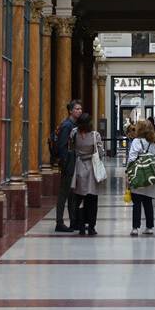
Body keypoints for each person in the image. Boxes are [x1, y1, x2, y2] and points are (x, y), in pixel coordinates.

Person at [71, 112, 104, 235]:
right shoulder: (95, 135)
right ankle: (91, 226)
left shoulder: (74, 134)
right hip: (92, 169)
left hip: (79, 168)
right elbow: (100, 153)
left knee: (79, 198)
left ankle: (80, 225)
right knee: (92, 199)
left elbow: (71, 149)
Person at [53, 98, 82, 233]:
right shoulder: (67, 125)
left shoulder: (74, 125)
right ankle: (59, 222)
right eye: (76, 109)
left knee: (72, 194)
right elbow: (62, 147)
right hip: (68, 165)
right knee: (64, 194)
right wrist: (65, 164)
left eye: (80, 109)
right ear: (70, 111)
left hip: (72, 164)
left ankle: (74, 221)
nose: (79, 111)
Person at [127, 117, 155, 236]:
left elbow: (132, 158)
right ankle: (149, 227)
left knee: (137, 202)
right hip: (149, 175)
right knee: (148, 202)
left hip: (138, 174)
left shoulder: (136, 142)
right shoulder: (152, 143)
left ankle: (135, 228)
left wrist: (128, 173)